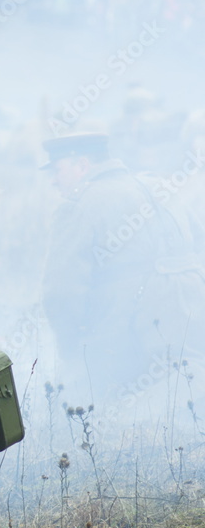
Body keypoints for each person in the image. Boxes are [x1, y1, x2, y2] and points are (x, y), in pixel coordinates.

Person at [40, 131, 205, 399]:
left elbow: (60, 293)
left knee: (92, 407)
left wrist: (73, 349)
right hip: (193, 316)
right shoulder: (158, 186)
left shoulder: (80, 204)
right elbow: (198, 244)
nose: (53, 181)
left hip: (131, 334)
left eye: (57, 170)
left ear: (82, 164)